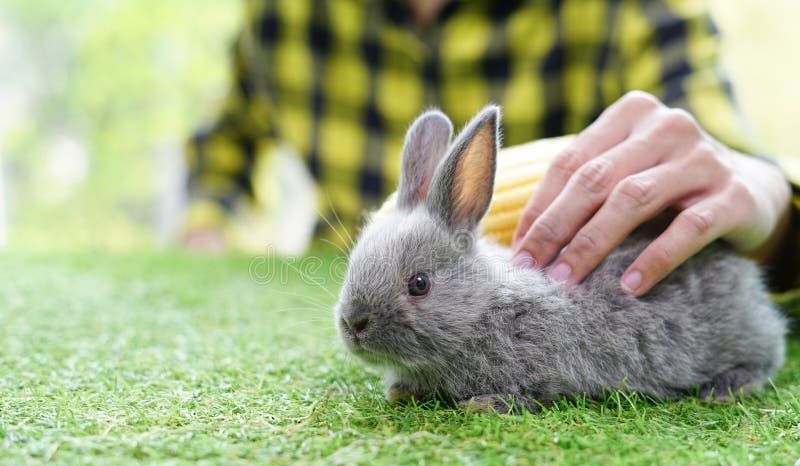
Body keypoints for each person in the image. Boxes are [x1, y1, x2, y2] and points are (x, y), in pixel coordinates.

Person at [184, 0, 799, 300]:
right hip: (347, 286)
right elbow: (230, 135)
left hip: (566, 294)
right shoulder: (280, 13)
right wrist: (203, 226)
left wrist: (769, 200)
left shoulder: (634, 9)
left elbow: (716, 157)